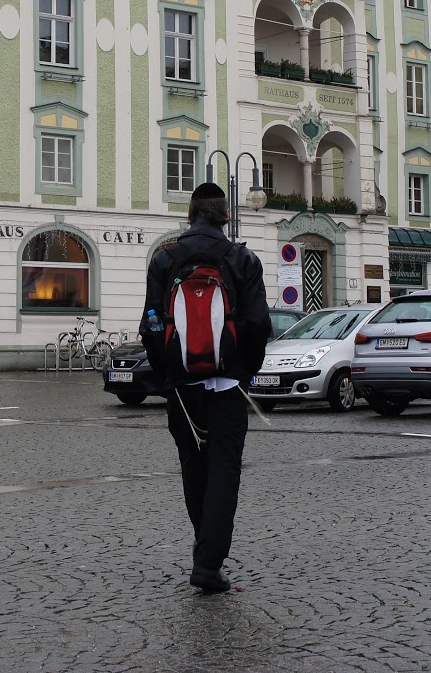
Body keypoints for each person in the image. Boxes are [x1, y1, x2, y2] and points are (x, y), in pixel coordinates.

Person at [141, 181, 272, 593]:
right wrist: (244, 371)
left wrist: (169, 375)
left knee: (193, 470)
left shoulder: (164, 259)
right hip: (228, 385)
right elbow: (257, 325)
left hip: (182, 388)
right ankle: (208, 563)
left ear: (190, 214)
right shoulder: (242, 259)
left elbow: (151, 324)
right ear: (225, 215)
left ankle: (205, 553)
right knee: (224, 473)